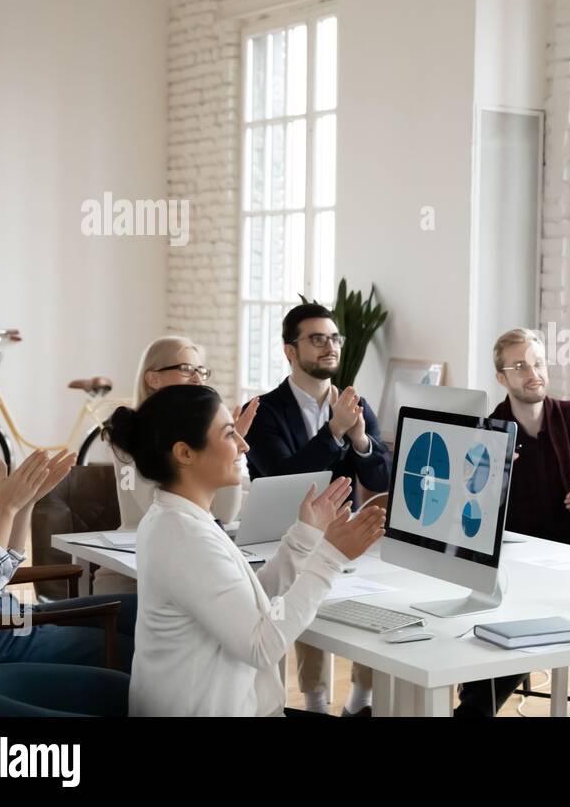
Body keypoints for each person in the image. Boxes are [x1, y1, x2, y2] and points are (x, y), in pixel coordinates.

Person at [105, 384, 385, 716]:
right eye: (229, 435)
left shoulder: (180, 518)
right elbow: (262, 645)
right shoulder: (185, 536)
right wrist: (330, 557)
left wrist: (305, 535)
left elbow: (254, 604)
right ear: (184, 453)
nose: (244, 444)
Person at [454, 327, 570, 717]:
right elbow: (468, 512)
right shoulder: (490, 429)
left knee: (512, 641)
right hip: (515, 573)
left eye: (538, 363)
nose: (533, 373)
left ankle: (473, 708)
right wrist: (490, 478)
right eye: (520, 366)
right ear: (502, 378)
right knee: (506, 639)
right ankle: (473, 709)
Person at [0, 364, 136, 681]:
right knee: (140, 649)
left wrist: (24, 505)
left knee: (135, 612)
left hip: (5, 620)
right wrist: (5, 509)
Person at [243, 303, 390, 716]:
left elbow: (380, 479)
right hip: (284, 537)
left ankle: (362, 700)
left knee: (378, 604)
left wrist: (360, 440)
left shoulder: (353, 405)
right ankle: (312, 703)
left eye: (334, 338)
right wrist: (335, 432)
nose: (330, 346)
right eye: (317, 338)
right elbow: (285, 481)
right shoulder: (263, 411)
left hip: (347, 535)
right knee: (297, 603)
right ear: (291, 351)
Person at [96, 336, 257, 595]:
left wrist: (229, 449)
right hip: (131, 572)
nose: (197, 378)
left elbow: (225, 514)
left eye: (201, 370)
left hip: (191, 563)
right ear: (153, 378)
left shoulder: (205, 435)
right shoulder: (127, 433)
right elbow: (159, 509)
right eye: (185, 369)